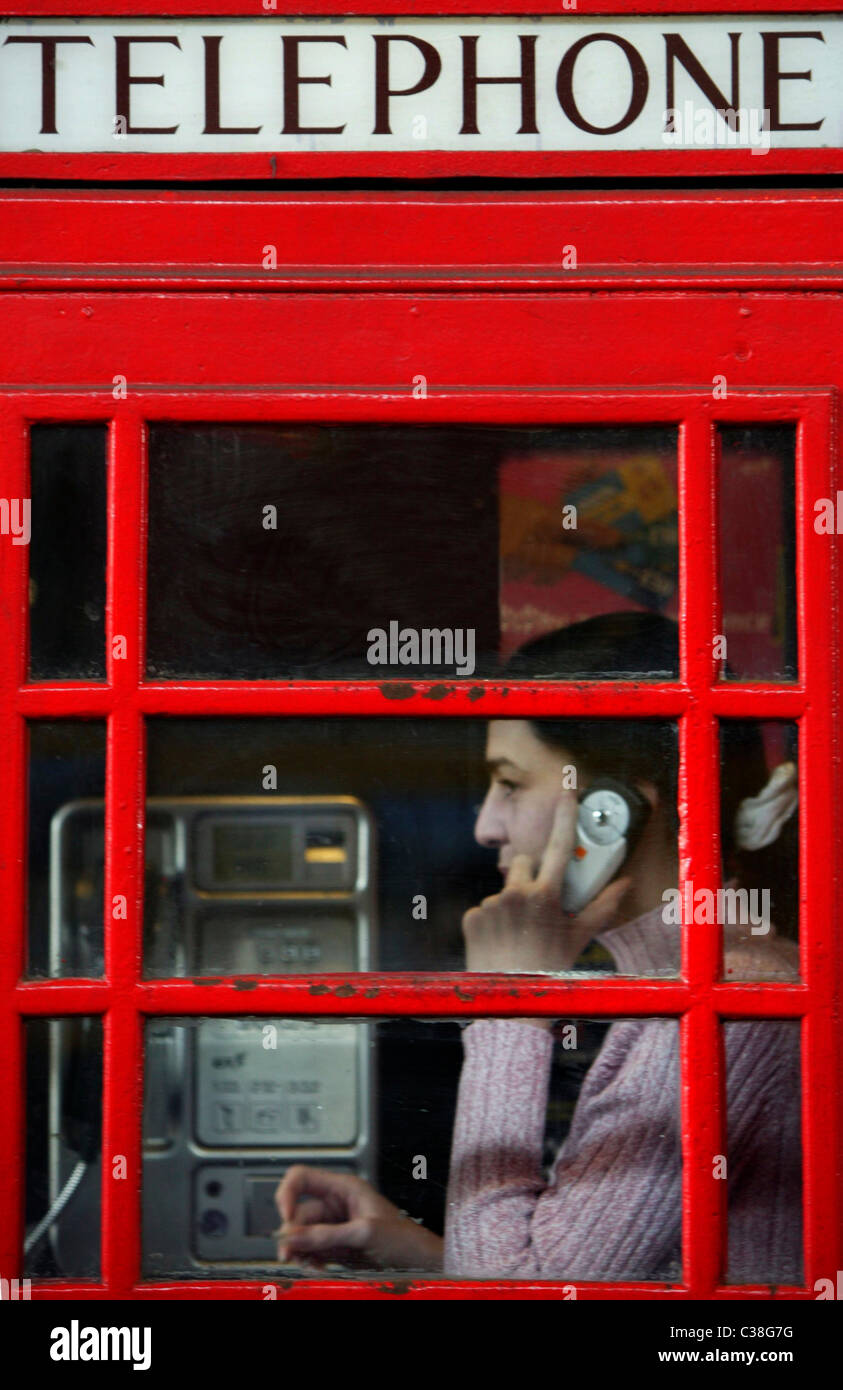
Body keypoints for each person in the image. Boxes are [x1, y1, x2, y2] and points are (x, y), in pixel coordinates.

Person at [274, 612, 802, 1283]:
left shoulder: (728, 1000)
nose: (486, 827)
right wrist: (405, 1247)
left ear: (608, 815)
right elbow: (597, 1276)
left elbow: (529, 1298)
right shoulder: (700, 977)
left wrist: (510, 1003)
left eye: (510, 782)